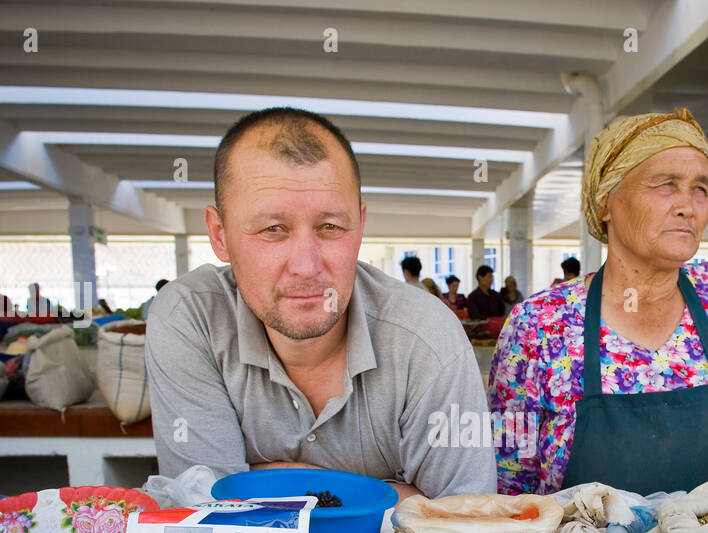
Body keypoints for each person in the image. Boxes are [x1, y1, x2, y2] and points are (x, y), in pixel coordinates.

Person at [145, 106, 496, 498]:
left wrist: (262, 480)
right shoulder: (189, 319)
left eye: (330, 227)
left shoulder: (428, 338)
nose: (306, 267)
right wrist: (390, 494)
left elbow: (462, 530)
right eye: (272, 229)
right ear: (219, 234)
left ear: (360, 227)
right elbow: (206, 518)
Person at [488, 106, 708, 496]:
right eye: (666, 184)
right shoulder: (540, 326)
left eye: (700, 188)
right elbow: (510, 487)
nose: (687, 205)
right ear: (605, 203)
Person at [466, 265, 506, 329]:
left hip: (497, 329)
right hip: (480, 332)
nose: (492, 279)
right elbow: (475, 316)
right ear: (480, 277)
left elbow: (502, 312)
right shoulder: (472, 297)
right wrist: (490, 320)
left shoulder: (496, 295)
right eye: (489, 277)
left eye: (492, 277)